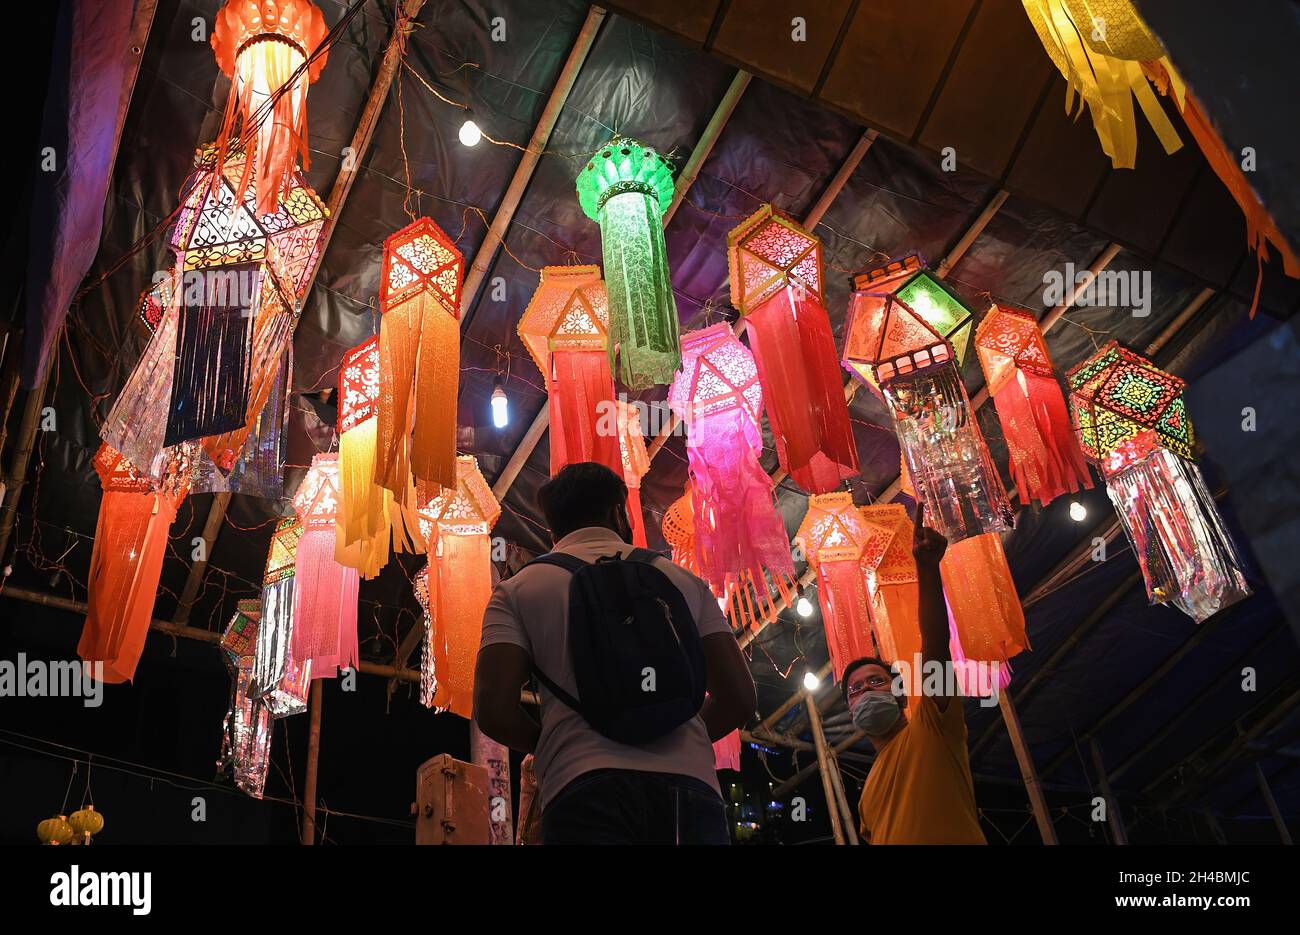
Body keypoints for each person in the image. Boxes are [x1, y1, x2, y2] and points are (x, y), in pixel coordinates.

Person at [474, 461, 756, 844]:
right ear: (619, 511)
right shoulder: (683, 581)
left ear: (553, 525)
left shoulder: (518, 590)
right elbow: (739, 696)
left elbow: (492, 709)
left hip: (582, 789)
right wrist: (675, 735)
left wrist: (554, 745)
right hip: (687, 791)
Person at [841, 502, 986, 845]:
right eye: (856, 689)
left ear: (901, 694)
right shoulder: (866, 798)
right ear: (850, 710)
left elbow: (935, 647)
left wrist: (927, 568)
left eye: (876, 681)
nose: (865, 690)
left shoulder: (932, 725)